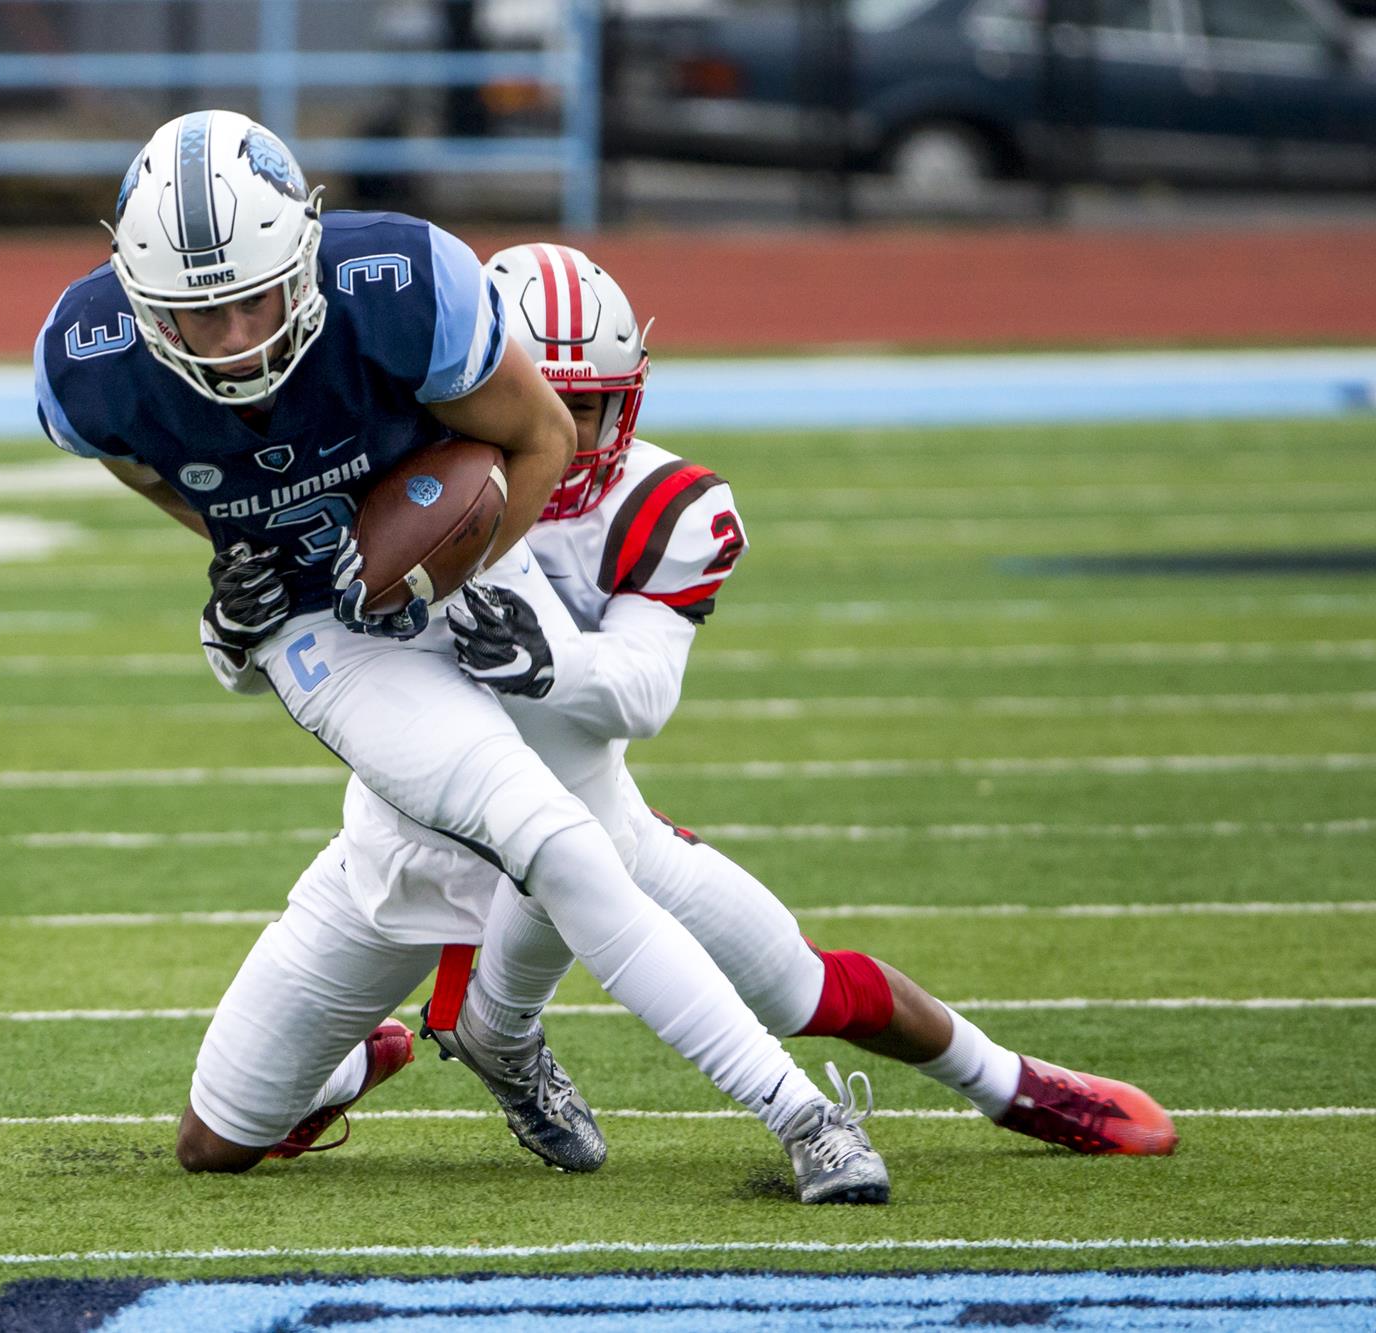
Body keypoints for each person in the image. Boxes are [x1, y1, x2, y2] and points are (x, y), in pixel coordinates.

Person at [33, 109, 889, 1203]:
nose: (236, 337)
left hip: (466, 555)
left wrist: (447, 574)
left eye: (256, 298)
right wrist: (242, 560)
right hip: (331, 628)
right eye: (200, 313)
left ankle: (801, 1116)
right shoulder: (87, 365)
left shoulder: (400, 282)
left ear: (304, 254)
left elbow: (544, 438)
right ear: (142, 301)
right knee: (216, 1141)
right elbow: (155, 473)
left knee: (565, 841)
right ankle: (401, 1047)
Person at [388, 241, 1178, 1164]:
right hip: (414, 824)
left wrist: (551, 663)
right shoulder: (408, 485)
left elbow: (643, 691)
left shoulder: (660, 502)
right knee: (259, 1086)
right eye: (538, 403)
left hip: (586, 806)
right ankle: (360, 1062)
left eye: (585, 408)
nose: (558, 433)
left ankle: (1014, 1085)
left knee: (797, 984)